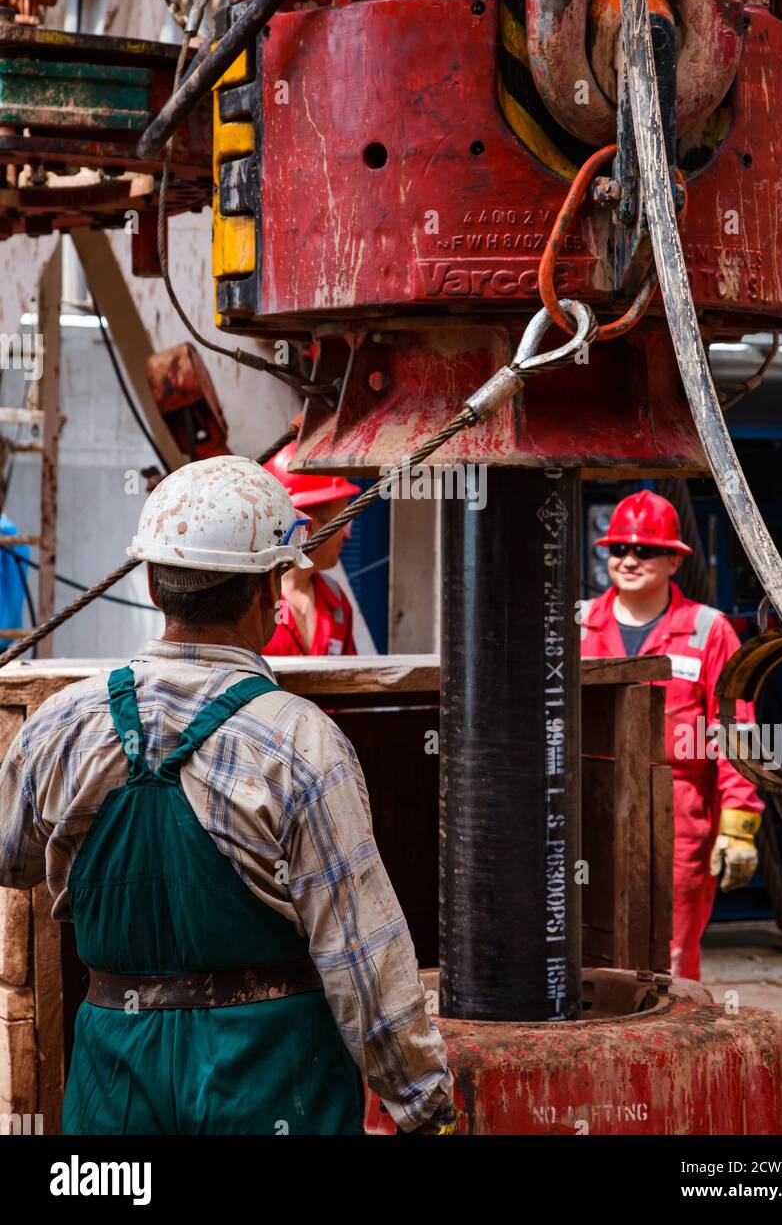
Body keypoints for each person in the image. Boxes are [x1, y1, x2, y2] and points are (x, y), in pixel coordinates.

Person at [0, 455, 455, 1135]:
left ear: (152, 583)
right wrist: (426, 1107)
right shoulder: (300, 743)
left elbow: (11, 862)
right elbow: (363, 963)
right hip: (269, 1081)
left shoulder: (60, 725)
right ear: (272, 591)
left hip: (114, 1081)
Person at [579, 489, 763, 981]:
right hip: (586, 809)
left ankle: (672, 1050)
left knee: (671, 956)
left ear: (674, 561)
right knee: (589, 949)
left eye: (645, 550)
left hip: (678, 813)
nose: (629, 559)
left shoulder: (709, 630)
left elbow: (737, 731)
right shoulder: (576, 626)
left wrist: (739, 825)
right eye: (619, 549)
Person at [263, 447, 361, 657]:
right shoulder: (252, 600)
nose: (347, 536)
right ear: (307, 522)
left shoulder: (336, 601)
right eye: (342, 522)